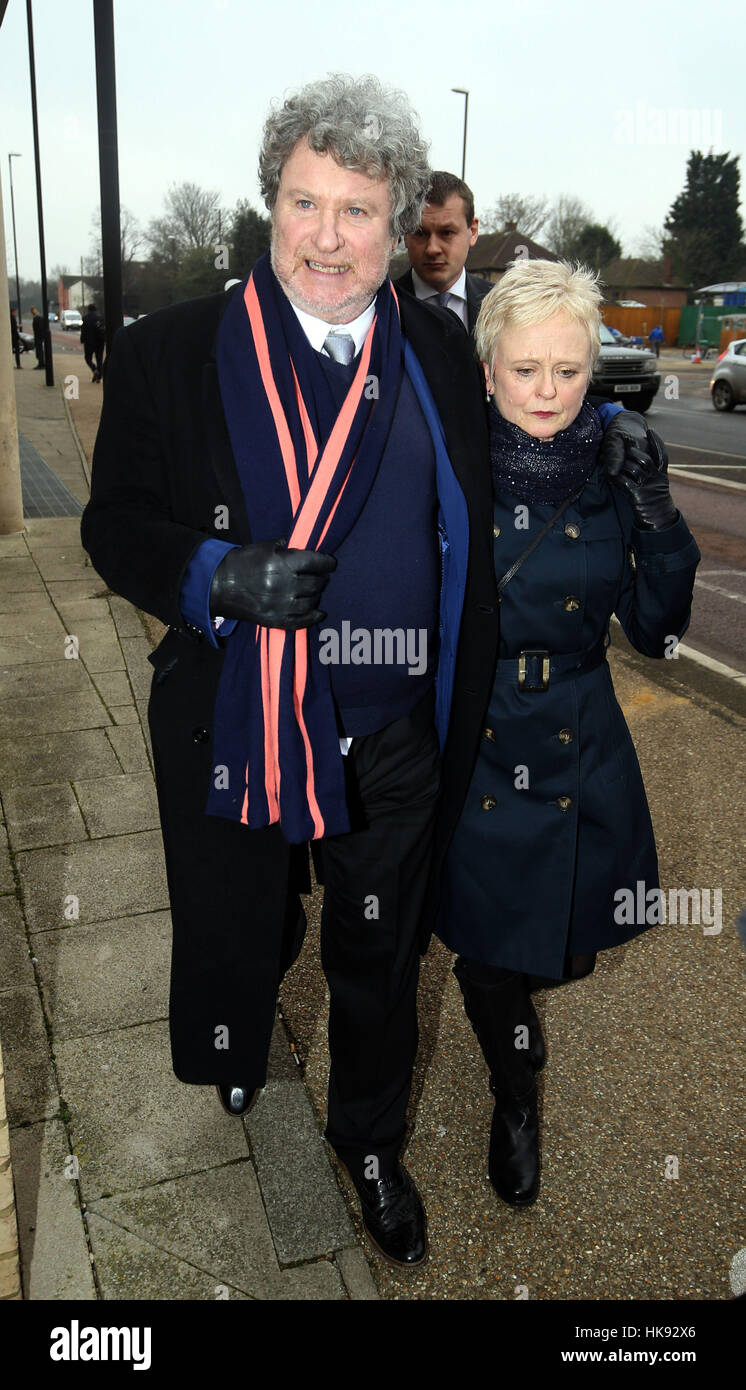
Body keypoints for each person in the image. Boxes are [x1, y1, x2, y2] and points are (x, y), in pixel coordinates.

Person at [81, 73, 502, 1270]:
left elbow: (473, 518)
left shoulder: (437, 348)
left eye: (357, 210)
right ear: (269, 202)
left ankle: (368, 1140)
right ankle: (235, 1040)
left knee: (377, 952)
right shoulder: (171, 352)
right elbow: (112, 526)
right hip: (242, 719)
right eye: (302, 202)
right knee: (247, 923)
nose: (325, 236)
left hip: (391, 734)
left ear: (400, 221)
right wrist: (214, 573)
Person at [430, 259, 700, 1210]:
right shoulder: (445, 467)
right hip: (479, 738)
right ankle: (514, 1098)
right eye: (524, 369)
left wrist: (658, 512)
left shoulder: (614, 470)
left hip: (583, 736)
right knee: (490, 954)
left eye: (569, 371)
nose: (547, 393)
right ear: (487, 367)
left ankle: (516, 1029)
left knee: (570, 948)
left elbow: (659, 636)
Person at [394, 170, 492, 334]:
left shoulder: (500, 305)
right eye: (420, 233)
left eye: (447, 233)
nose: (432, 249)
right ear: (405, 234)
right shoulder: (381, 307)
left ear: (473, 231)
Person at [80, 303, 105, 382]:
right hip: (99, 342)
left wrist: (82, 339)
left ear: (88, 309)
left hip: (89, 342)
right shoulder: (100, 318)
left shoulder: (85, 318)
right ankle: (99, 376)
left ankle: (94, 370)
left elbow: (83, 330)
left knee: (88, 358)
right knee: (99, 359)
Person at [31, 305, 45, 369]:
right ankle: (41, 363)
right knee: (39, 350)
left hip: (38, 337)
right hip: (39, 336)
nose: (32, 312)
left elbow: (39, 328)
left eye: (33, 310)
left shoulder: (38, 317)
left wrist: (40, 336)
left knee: (39, 350)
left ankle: (41, 364)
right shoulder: (37, 317)